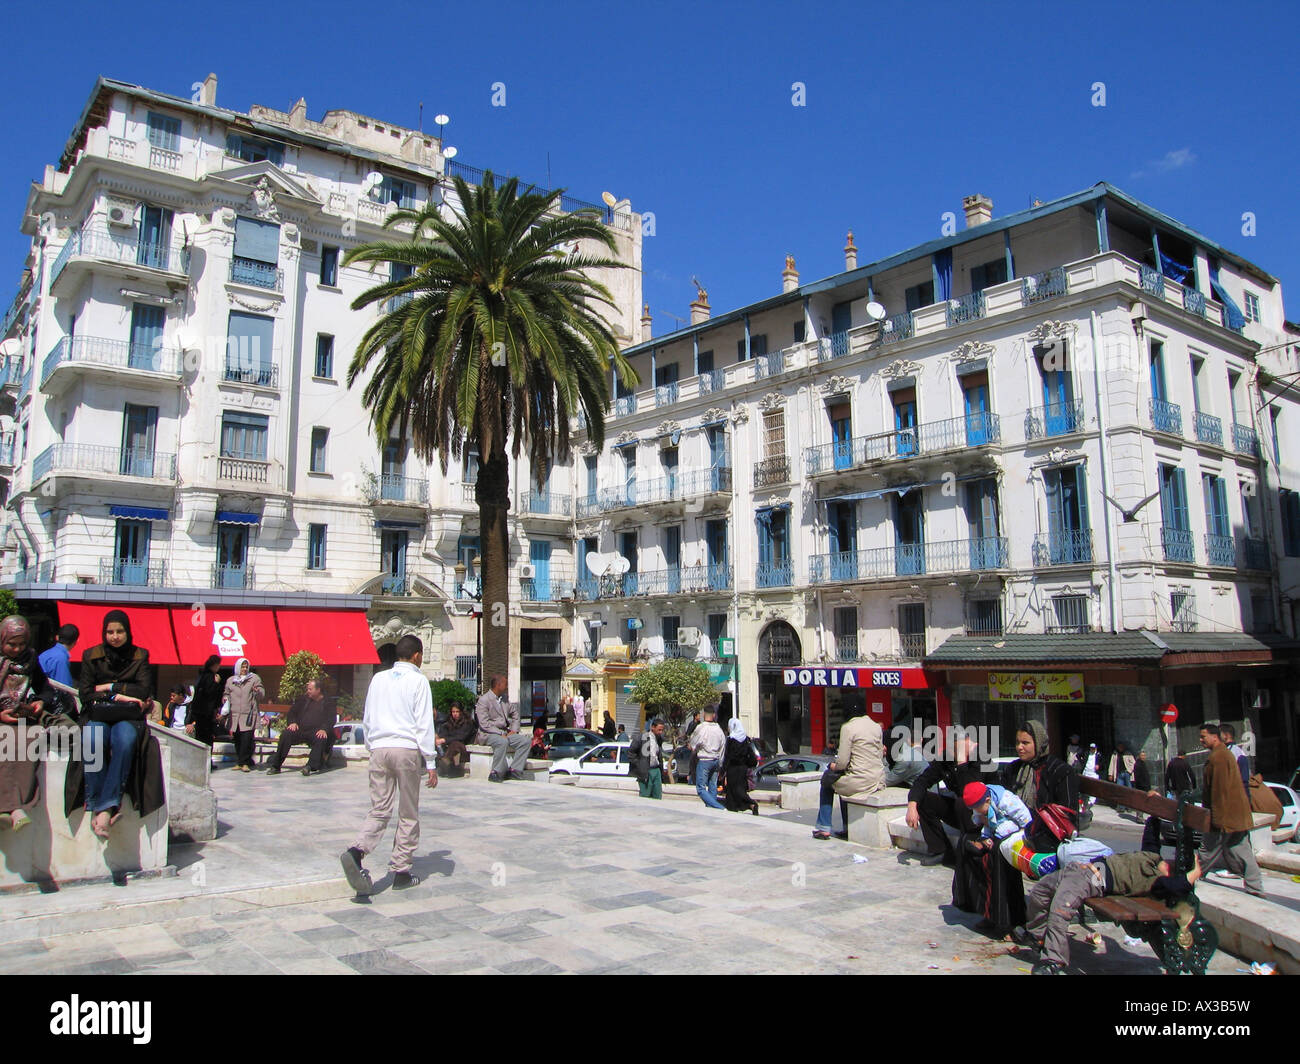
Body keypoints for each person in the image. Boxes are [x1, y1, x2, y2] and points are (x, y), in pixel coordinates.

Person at [340, 634, 437, 895]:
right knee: (408, 812)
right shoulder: (418, 680)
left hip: (380, 749)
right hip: (405, 749)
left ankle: (357, 851)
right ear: (417, 655)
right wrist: (430, 761)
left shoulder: (378, 678)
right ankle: (401, 871)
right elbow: (423, 723)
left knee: (379, 809)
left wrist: (372, 747)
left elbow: (368, 716)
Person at [1018, 852, 1203, 975]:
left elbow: (1180, 885)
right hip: (1079, 868)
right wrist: (1154, 802)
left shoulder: (1156, 882)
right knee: (1039, 893)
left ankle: (1053, 960)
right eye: (1170, 861)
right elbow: (1151, 831)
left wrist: (1195, 872)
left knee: (1061, 908)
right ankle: (1037, 937)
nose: (1169, 863)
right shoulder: (1152, 856)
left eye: (1172, 868)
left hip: (1092, 880)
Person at [75, 609, 158, 839]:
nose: (115, 636)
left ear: (127, 632)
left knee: (124, 741)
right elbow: (85, 693)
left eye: (120, 631)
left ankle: (103, 809)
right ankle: (103, 806)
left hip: (128, 718)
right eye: (110, 632)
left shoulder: (140, 655)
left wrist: (108, 688)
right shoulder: (91, 655)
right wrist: (122, 695)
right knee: (93, 739)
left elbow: (143, 690)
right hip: (99, 715)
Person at [1196, 723, 1264, 897]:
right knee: (1241, 849)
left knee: (1207, 851)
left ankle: (1190, 881)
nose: (1201, 740)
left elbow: (1219, 791)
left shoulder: (1218, 757)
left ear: (1215, 737)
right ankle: (1255, 887)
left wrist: (1216, 820)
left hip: (1224, 816)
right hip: (1236, 815)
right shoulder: (1224, 755)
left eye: (1203, 737)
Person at [0, 616, 53, 832]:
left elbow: (46, 689)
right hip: (2, 718)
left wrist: (40, 701)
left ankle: (10, 808)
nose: (17, 649)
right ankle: (14, 809)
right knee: (5, 740)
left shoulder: (31, 660)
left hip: (22, 717)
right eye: (11, 644)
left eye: (21, 644)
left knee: (32, 738)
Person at [906, 730, 985, 867]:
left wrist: (962, 762)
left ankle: (969, 850)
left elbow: (969, 793)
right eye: (955, 748)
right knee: (923, 800)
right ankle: (940, 851)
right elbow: (922, 781)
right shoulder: (946, 759)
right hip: (960, 813)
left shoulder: (980, 757)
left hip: (983, 815)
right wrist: (912, 806)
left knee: (963, 801)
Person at [812, 706, 885, 840]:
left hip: (860, 780)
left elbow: (842, 762)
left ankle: (823, 828)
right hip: (878, 778)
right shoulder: (876, 727)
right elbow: (879, 755)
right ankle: (847, 826)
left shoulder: (848, 727)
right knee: (842, 784)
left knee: (827, 781)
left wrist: (833, 765)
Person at [268, 678, 336, 776]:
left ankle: (309, 766)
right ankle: (276, 766)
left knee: (320, 737)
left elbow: (331, 719)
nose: (307, 691)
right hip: (301, 730)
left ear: (318, 690)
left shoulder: (328, 702)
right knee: (286, 734)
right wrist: (292, 722)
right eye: (308, 689)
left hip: (316, 731)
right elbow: (292, 712)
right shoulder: (304, 699)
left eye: (310, 689)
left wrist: (324, 729)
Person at [475, 674, 530, 782]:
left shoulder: (505, 699)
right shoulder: (483, 700)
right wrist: (500, 733)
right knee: (502, 742)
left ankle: (515, 769)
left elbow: (515, 714)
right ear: (498, 685)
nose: (507, 687)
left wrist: (514, 730)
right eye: (505, 684)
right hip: (488, 734)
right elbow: (484, 723)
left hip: (505, 732)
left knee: (526, 741)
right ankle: (495, 772)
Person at [223, 658, 265, 772]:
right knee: (238, 739)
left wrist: (257, 691)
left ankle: (245, 763)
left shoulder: (254, 678)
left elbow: (261, 693)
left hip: (248, 714)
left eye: (246, 666)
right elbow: (226, 693)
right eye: (242, 666)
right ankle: (240, 762)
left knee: (247, 738)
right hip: (235, 714)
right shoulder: (231, 680)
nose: (244, 669)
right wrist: (225, 698)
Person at [688, 708, 727, 810]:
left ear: (704, 714)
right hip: (716, 760)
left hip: (705, 760)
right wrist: (720, 763)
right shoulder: (719, 729)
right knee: (712, 785)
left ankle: (718, 807)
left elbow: (693, 744)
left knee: (701, 788)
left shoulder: (701, 728)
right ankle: (711, 808)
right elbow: (723, 747)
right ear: (714, 715)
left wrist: (694, 749)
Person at [722, 717, 759, 815]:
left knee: (733, 790)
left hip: (732, 769)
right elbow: (750, 755)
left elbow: (727, 756)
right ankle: (749, 806)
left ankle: (750, 804)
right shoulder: (745, 739)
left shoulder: (731, 739)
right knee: (740, 788)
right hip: (743, 769)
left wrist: (723, 770)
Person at [436, 701, 476, 777]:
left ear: (461, 712)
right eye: (453, 711)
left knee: (455, 744)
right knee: (443, 743)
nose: (455, 714)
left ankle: (445, 761)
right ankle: (445, 762)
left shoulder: (468, 723)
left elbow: (460, 737)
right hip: (451, 749)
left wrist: (445, 739)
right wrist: (439, 738)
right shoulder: (449, 722)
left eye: (457, 711)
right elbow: (444, 734)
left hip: (465, 750)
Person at [633, 718, 667, 799]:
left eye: (662, 730)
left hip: (656, 770)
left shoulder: (659, 739)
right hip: (645, 771)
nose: (660, 732)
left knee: (657, 796)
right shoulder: (643, 737)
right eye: (659, 730)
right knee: (645, 796)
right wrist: (639, 766)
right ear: (652, 727)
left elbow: (658, 754)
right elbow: (631, 753)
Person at [38, 623, 78, 687]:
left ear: (57, 637)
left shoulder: (45, 654)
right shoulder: (61, 659)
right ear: (75, 642)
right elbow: (64, 688)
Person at [1220, 724, 1251, 794]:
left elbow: (1244, 781)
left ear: (1226, 735)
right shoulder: (1226, 751)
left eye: (1219, 735)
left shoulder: (1233, 752)